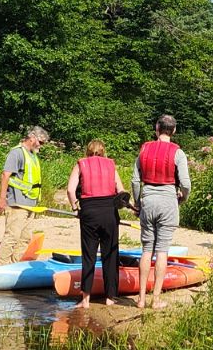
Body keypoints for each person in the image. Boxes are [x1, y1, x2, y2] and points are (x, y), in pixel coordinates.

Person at [132, 115, 191, 311]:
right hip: (167, 199)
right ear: (173, 131)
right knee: (162, 250)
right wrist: (183, 198)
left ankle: (140, 299)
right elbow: (185, 183)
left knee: (146, 249)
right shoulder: (178, 152)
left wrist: (138, 202)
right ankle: (155, 299)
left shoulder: (144, 149)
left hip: (148, 197)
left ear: (157, 128)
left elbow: (134, 180)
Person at [66, 141, 126, 309]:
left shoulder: (81, 163)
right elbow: (121, 191)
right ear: (103, 152)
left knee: (88, 255)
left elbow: (71, 190)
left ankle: (85, 299)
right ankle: (110, 297)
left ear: (88, 152)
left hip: (89, 211)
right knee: (111, 254)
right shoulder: (111, 164)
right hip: (109, 211)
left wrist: (75, 208)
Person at [0, 126, 49, 264]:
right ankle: (1, 267)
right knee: (12, 237)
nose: (41, 146)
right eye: (41, 142)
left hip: (30, 204)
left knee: (25, 238)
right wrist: (2, 199)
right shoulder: (17, 153)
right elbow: (5, 175)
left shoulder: (33, 155)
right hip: (17, 204)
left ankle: (14, 265)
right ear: (32, 138)